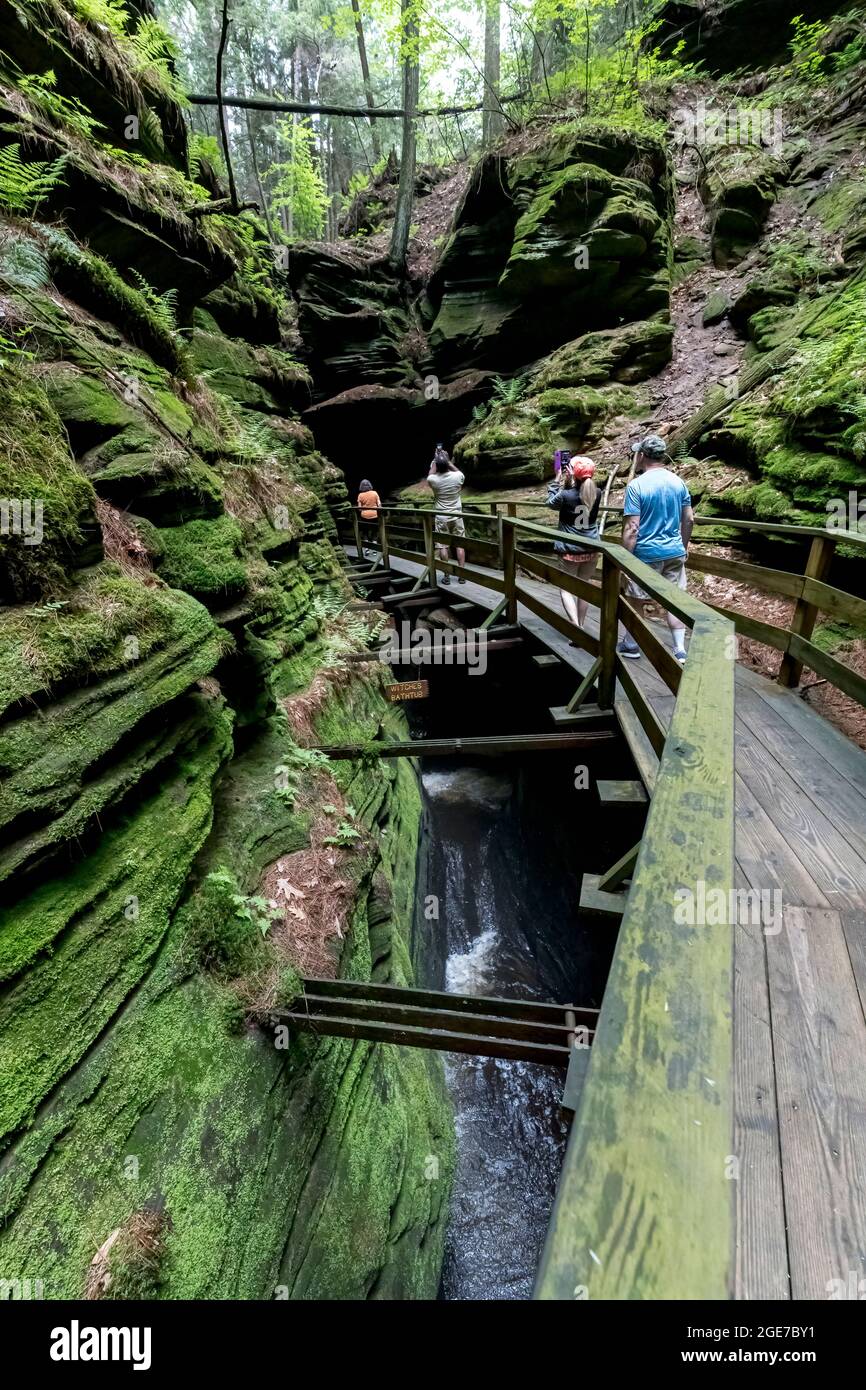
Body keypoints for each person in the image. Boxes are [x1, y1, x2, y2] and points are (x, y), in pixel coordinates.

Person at [617, 434, 694, 665]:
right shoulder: (678, 482)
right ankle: (680, 649)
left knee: (636, 600)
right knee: (674, 599)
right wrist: (683, 545)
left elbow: (632, 528)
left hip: (645, 554)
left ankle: (631, 644)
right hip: (673, 552)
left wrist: (624, 560)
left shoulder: (637, 486)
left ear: (642, 456)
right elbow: (689, 519)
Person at [545, 455, 601, 632]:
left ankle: (575, 628)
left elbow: (550, 503)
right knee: (583, 586)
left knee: (566, 588)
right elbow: (580, 496)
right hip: (591, 548)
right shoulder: (596, 493)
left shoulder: (565, 495)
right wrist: (571, 482)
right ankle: (582, 625)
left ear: (572, 473)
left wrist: (558, 479)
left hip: (570, 549)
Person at [426, 446, 466, 584]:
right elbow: (458, 471)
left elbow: (430, 475)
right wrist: (447, 460)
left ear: (437, 466)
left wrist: (435, 460)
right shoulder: (458, 477)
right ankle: (462, 575)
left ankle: (447, 576)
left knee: (443, 546)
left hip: (441, 517)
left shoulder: (434, 480)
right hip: (457, 515)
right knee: (460, 545)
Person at [356, 478, 381, 557]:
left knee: (365, 532)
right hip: (375, 515)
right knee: (375, 532)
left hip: (364, 516)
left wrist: (364, 510)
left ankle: (366, 549)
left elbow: (359, 508)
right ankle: (374, 550)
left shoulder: (360, 495)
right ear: (369, 485)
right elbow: (379, 504)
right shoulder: (375, 493)